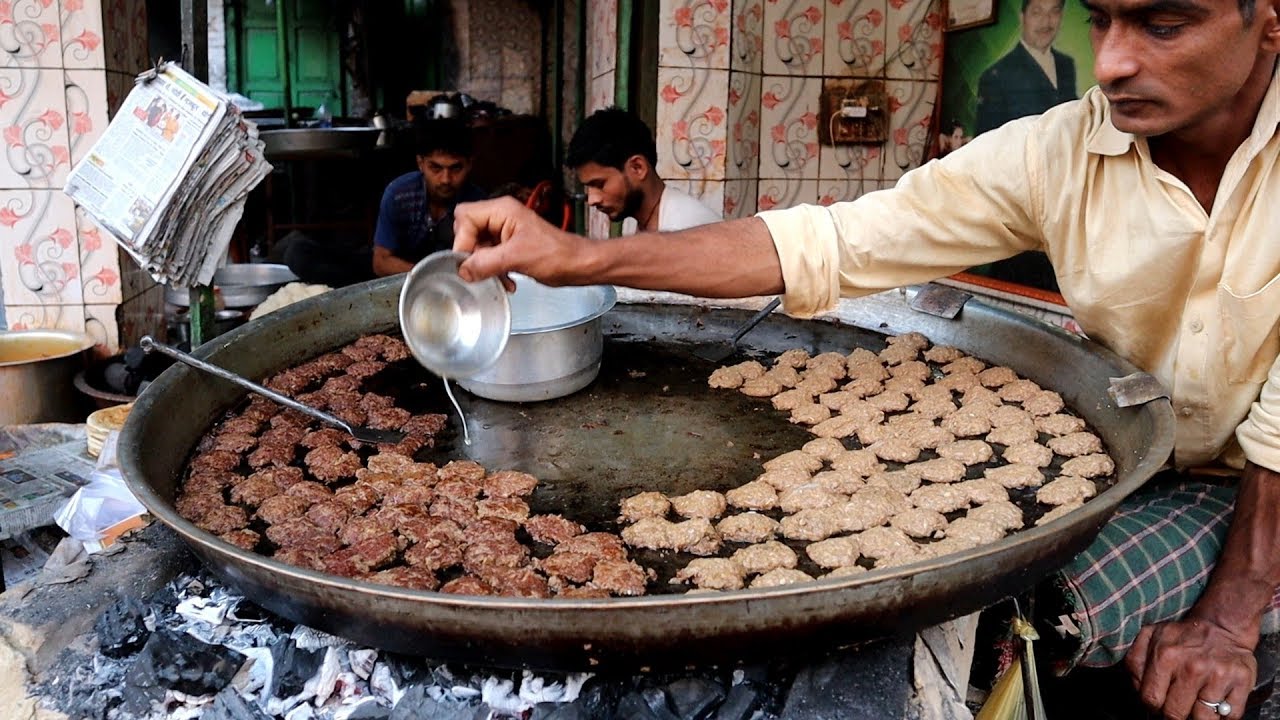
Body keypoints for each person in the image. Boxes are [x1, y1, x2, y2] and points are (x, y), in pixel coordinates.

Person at [453, 0, 1280, 716]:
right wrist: (583, 257)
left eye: (1162, 24)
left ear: (1268, 21)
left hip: (1250, 484)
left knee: (1046, 610)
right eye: (1099, 19)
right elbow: (836, 241)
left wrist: (1228, 618)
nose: (1110, 62)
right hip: (1139, 446)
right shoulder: (1057, 153)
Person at [567, 107, 721, 233]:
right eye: (588, 187)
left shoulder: (686, 228)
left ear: (638, 167)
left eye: (600, 184)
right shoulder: (637, 217)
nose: (592, 200)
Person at [371, 118, 487, 277]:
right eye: (435, 168)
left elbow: (481, 262)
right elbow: (381, 262)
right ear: (420, 163)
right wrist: (431, 276)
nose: (445, 179)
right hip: (405, 282)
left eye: (455, 168)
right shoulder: (398, 195)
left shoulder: (478, 204)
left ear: (469, 165)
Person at [975, 0, 1078, 135]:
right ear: (1022, 17)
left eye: (1054, 11)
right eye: (1036, 12)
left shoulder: (1066, 64)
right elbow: (987, 142)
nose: (1046, 22)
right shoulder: (996, 77)